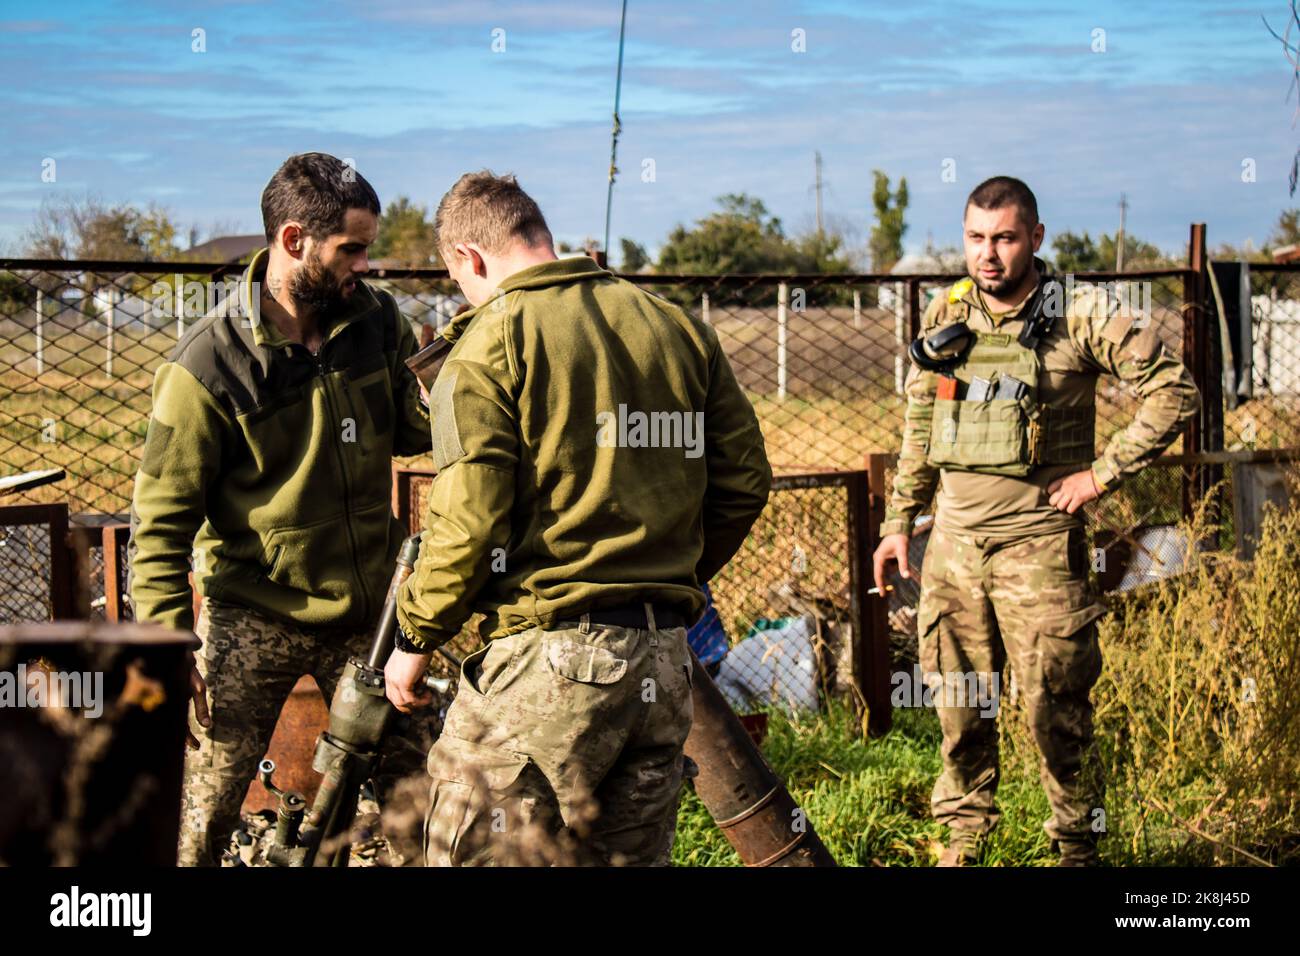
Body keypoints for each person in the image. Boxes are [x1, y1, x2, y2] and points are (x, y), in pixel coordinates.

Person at [384, 171, 772, 866]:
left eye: (459, 278)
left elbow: (467, 522)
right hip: (663, 665)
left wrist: (415, 636)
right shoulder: (676, 326)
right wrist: (659, 574)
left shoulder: (488, 344)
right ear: (540, 234)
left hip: (547, 670)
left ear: (469, 259)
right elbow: (744, 482)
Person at [872, 176, 1199, 866]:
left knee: (1054, 713)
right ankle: (964, 841)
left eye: (1005, 238)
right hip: (954, 546)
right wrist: (899, 520)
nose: (988, 255)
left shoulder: (1080, 312)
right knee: (959, 710)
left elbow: (1174, 393)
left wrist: (1100, 474)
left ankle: (1078, 849)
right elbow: (923, 420)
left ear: (1037, 238)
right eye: (976, 238)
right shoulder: (946, 312)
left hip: (1040, 549)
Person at [129, 152, 436, 866]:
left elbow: (415, 433)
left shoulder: (375, 321)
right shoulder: (205, 366)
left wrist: (447, 384)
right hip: (254, 610)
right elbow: (160, 526)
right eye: (351, 249)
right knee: (198, 810)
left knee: (420, 804)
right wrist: (168, 648)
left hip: (372, 614)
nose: (366, 266)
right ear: (293, 241)